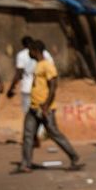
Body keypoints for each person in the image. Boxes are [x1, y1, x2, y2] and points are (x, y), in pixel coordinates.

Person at [19, 39, 82, 172]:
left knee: (54, 133)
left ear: (35, 51)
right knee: (28, 134)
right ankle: (26, 164)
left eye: (30, 50)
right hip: (34, 107)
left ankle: (74, 157)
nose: (29, 53)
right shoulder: (37, 65)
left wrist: (46, 105)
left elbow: (53, 86)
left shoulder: (47, 65)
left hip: (45, 108)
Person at [5, 35, 52, 147]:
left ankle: (33, 137)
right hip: (42, 89)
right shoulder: (46, 54)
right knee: (40, 112)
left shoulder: (21, 55)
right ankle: (38, 135)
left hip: (27, 88)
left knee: (29, 114)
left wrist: (11, 88)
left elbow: (19, 73)